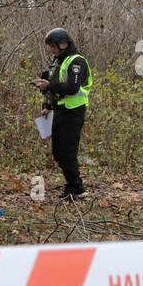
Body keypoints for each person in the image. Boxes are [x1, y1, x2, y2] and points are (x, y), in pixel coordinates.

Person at [34, 27, 92, 200]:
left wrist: (48, 86)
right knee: (58, 152)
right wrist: (48, 105)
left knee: (68, 153)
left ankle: (77, 188)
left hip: (73, 112)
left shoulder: (77, 62)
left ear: (63, 44)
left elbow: (72, 88)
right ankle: (72, 186)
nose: (51, 50)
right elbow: (56, 85)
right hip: (60, 110)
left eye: (53, 46)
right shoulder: (59, 61)